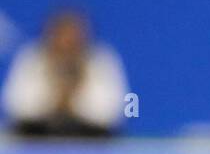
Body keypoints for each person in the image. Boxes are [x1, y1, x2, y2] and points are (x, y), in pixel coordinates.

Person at [2, 8, 128, 137]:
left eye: (74, 36)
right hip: (37, 139)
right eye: (61, 35)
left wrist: (74, 99)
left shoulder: (101, 60)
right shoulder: (31, 57)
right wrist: (55, 98)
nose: (67, 42)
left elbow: (111, 112)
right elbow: (16, 106)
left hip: (90, 141)